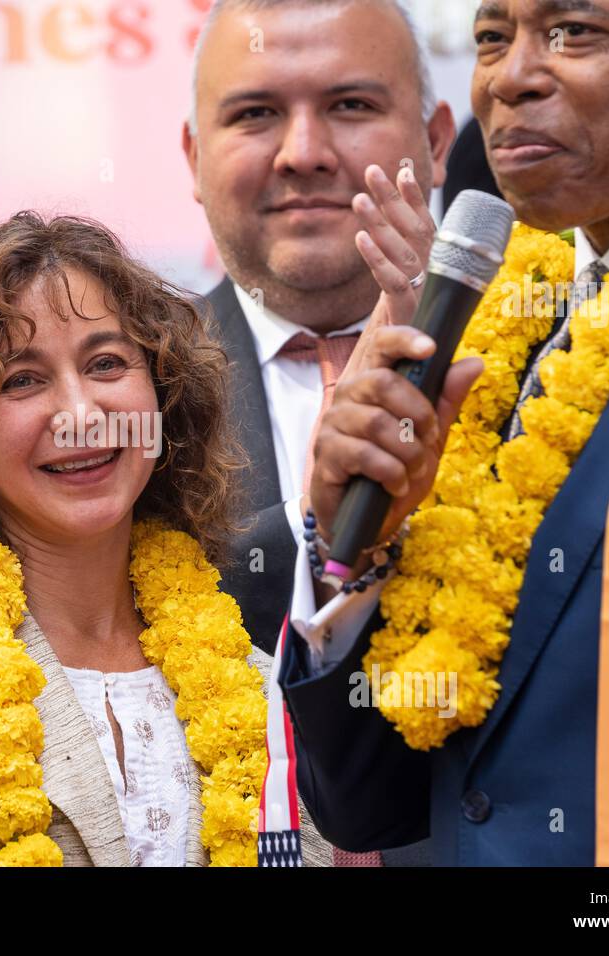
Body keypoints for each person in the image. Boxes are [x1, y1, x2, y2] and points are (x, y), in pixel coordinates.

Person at [281, 0, 609, 865]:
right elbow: (365, 807)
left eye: (574, 32)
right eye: (492, 39)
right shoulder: (494, 330)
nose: (510, 77)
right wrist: (353, 548)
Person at [0, 212, 332, 866]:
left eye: (107, 363)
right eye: (22, 380)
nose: (82, 415)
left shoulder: (257, 687)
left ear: (161, 400)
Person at [183, 0, 454, 866]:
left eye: (350, 105)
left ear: (438, 140)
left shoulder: (559, 365)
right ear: (192, 155)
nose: (304, 152)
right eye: (256, 113)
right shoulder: (115, 404)